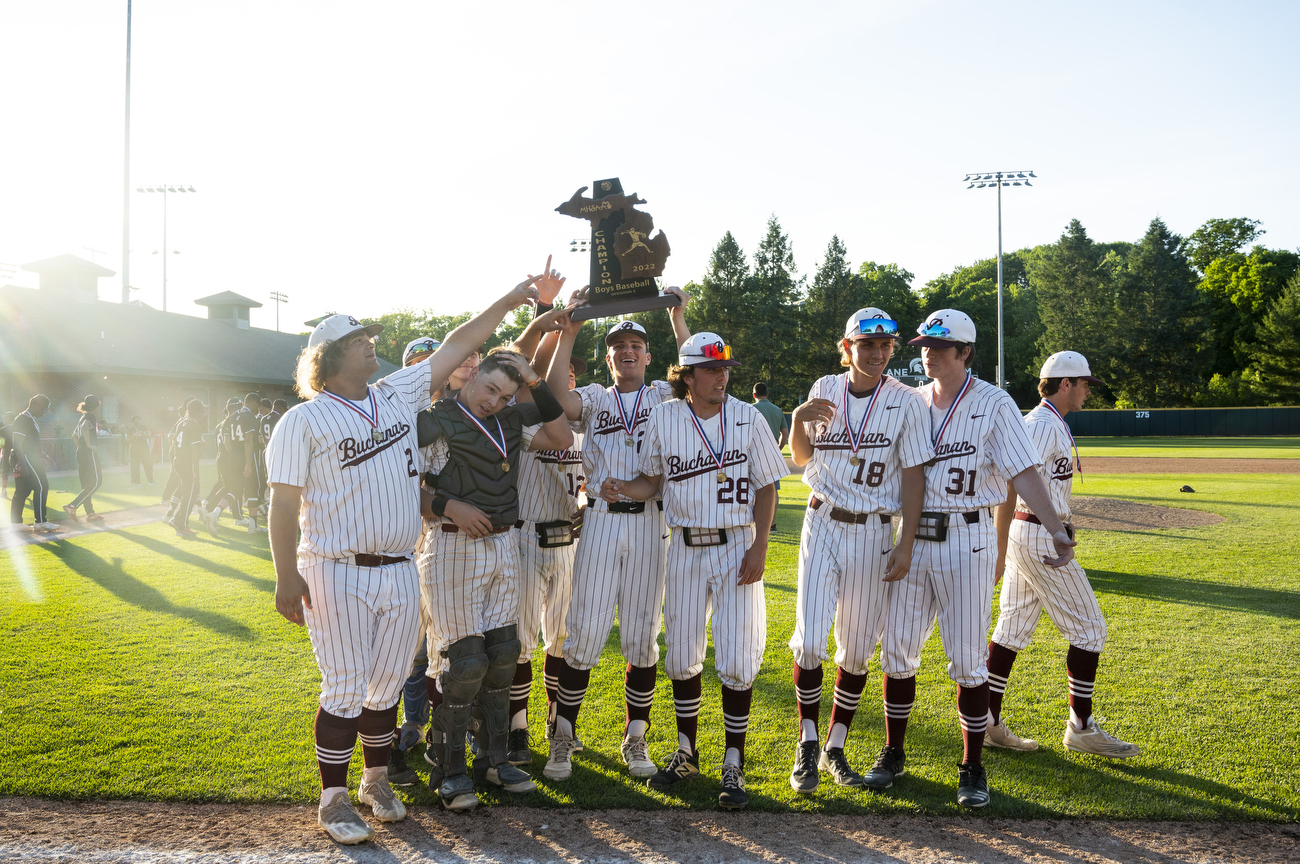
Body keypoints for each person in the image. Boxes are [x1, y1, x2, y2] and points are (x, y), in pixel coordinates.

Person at [268, 281, 540, 845]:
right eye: (359, 338)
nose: (372, 342)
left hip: (398, 564)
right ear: (329, 357)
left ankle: (375, 781)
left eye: (369, 335)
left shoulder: (396, 394)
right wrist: (284, 575)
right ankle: (333, 798)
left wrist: (508, 304)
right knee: (343, 686)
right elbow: (283, 502)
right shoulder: (303, 421)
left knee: (387, 685)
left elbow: (459, 343)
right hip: (334, 566)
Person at [870, 309, 1077, 809]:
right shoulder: (910, 401)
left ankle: (972, 766)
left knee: (966, 659)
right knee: (897, 651)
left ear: (965, 353)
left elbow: (1024, 472)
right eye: (924, 344)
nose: (928, 352)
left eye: (941, 347)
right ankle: (894, 754)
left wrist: (1056, 528)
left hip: (968, 535)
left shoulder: (994, 402)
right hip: (911, 538)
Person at [601, 331, 786, 809]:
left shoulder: (747, 418)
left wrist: (761, 545)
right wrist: (618, 487)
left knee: (738, 657)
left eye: (726, 368)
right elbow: (651, 481)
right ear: (686, 376)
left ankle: (734, 762)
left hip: (736, 544)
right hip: (683, 546)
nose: (722, 376)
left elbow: (767, 487)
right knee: (682, 655)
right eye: (711, 369)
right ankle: (686, 753)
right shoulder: (664, 417)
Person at [539, 286, 692, 783]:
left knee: (643, 640)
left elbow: (692, 370)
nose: (627, 352)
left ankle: (636, 737)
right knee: (581, 634)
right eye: (618, 347)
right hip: (602, 520)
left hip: (651, 522)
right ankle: (563, 737)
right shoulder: (596, 398)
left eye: (636, 346)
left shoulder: (664, 396)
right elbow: (554, 396)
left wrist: (676, 316)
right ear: (608, 358)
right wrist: (572, 329)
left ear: (648, 355)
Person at [416, 337, 575, 810]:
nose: (494, 402)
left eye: (505, 396)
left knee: (503, 655)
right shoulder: (436, 420)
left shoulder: (508, 420)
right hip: (453, 545)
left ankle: (494, 758)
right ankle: (450, 769)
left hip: (504, 543)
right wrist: (448, 505)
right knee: (464, 662)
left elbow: (562, 437)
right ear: (473, 376)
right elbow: (406, 488)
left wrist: (534, 381)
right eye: (489, 389)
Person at [785, 309, 931, 795]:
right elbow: (803, 458)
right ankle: (807, 743)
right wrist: (796, 422)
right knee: (808, 641)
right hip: (822, 519)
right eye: (866, 344)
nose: (877, 352)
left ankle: (834, 746)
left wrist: (905, 542)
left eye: (885, 345)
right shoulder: (823, 387)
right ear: (846, 347)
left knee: (857, 647)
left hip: (872, 531)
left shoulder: (908, 402)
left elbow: (914, 476)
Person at [987, 351, 1140, 759]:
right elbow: (1010, 481)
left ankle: (986, 720)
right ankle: (1081, 727)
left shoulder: (1050, 423)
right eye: (1086, 384)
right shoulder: (1039, 424)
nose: (1090, 391)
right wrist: (1004, 547)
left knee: (1012, 628)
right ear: (1065, 383)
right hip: (1037, 535)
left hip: (1031, 532)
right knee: (1089, 630)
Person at [507, 348, 586, 768]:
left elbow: (591, 482)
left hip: (569, 541)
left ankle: (558, 722)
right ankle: (517, 727)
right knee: (521, 640)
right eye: (560, 374)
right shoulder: (524, 418)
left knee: (561, 639)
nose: (566, 380)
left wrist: (588, 502)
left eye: (570, 375)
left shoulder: (586, 429)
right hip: (525, 535)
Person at [9, 395, 58, 532]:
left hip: (27, 457)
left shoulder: (30, 419)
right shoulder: (23, 419)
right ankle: (41, 522)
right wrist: (23, 464)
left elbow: (32, 444)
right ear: (35, 405)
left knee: (23, 490)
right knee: (42, 485)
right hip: (25, 457)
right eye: (43, 409)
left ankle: (16, 524)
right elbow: (17, 442)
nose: (44, 412)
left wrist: (45, 456)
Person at [167, 401, 207, 536]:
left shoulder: (181, 423)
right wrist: (196, 471)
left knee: (191, 492)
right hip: (187, 462)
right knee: (189, 494)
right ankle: (181, 526)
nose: (204, 414)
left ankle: (177, 519)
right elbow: (194, 450)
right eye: (203, 411)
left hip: (178, 460)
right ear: (198, 412)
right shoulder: (194, 425)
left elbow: (174, 443)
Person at [63, 395, 105, 523]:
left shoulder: (82, 417)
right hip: (89, 452)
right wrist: (88, 445)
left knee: (86, 483)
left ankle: (90, 513)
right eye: (98, 406)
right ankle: (72, 506)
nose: (99, 408)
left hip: (81, 452)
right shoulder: (90, 417)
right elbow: (85, 427)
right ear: (93, 406)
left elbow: (74, 436)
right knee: (96, 482)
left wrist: (81, 447)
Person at [126, 415, 155, 486]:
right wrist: (133, 437)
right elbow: (128, 440)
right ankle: (137, 482)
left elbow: (149, 435)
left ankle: (151, 481)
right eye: (136, 419)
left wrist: (142, 435)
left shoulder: (144, 427)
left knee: (148, 464)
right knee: (135, 465)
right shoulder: (130, 429)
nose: (138, 421)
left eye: (138, 419)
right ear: (133, 421)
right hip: (134, 449)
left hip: (144, 448)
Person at [1, 411, 16, 499]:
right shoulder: (17, 428)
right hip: (17, 454)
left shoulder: (3, 430)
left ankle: (4, 492)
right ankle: (20, 491)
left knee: (4, 473)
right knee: (17, 473)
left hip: (7, 454)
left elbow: (1, 444)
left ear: (7, 419)